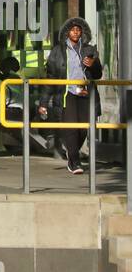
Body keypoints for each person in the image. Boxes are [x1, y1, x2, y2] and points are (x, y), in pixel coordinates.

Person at [38, 17, 102, 175]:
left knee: (83, 130)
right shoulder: (57, 51)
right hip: (67, 94)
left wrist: (93, 65)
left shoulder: (90, 50)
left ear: (82, 33)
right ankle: (75, 161)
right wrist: (44, 102)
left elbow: (98, 75)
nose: (76, 32)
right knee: (71, 128)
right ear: (67, 32)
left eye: (78, 30)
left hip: (86, 93)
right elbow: (51, 78)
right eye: (73, 29)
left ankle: (71, 156)